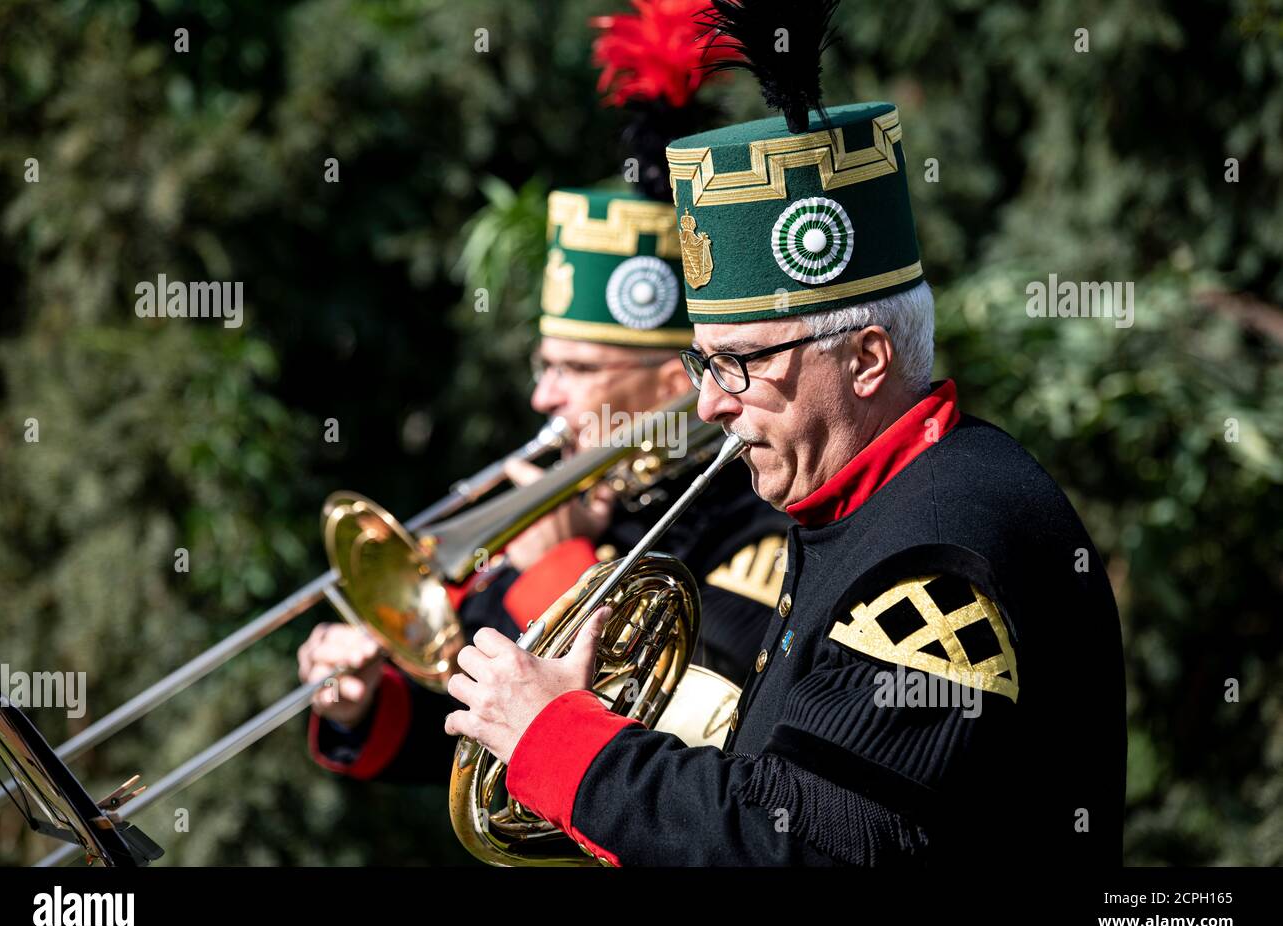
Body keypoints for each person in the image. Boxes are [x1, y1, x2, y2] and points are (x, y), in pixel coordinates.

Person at [442, 86, 1127, 864]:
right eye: (703, 360)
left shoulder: (941, 552)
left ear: (866, 359)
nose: (706, 405)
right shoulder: (866, 502)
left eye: (739, 363)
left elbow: (808, 845)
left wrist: (566, 743)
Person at [300, 186, 791, 784]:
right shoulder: (578, 506)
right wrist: (363, 701)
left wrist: (560, 570)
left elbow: (715, 722)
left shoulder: (755, 506)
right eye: (545, 366)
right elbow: (463, 730)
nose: (543, 397)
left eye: (576, 369)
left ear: (670, 385)